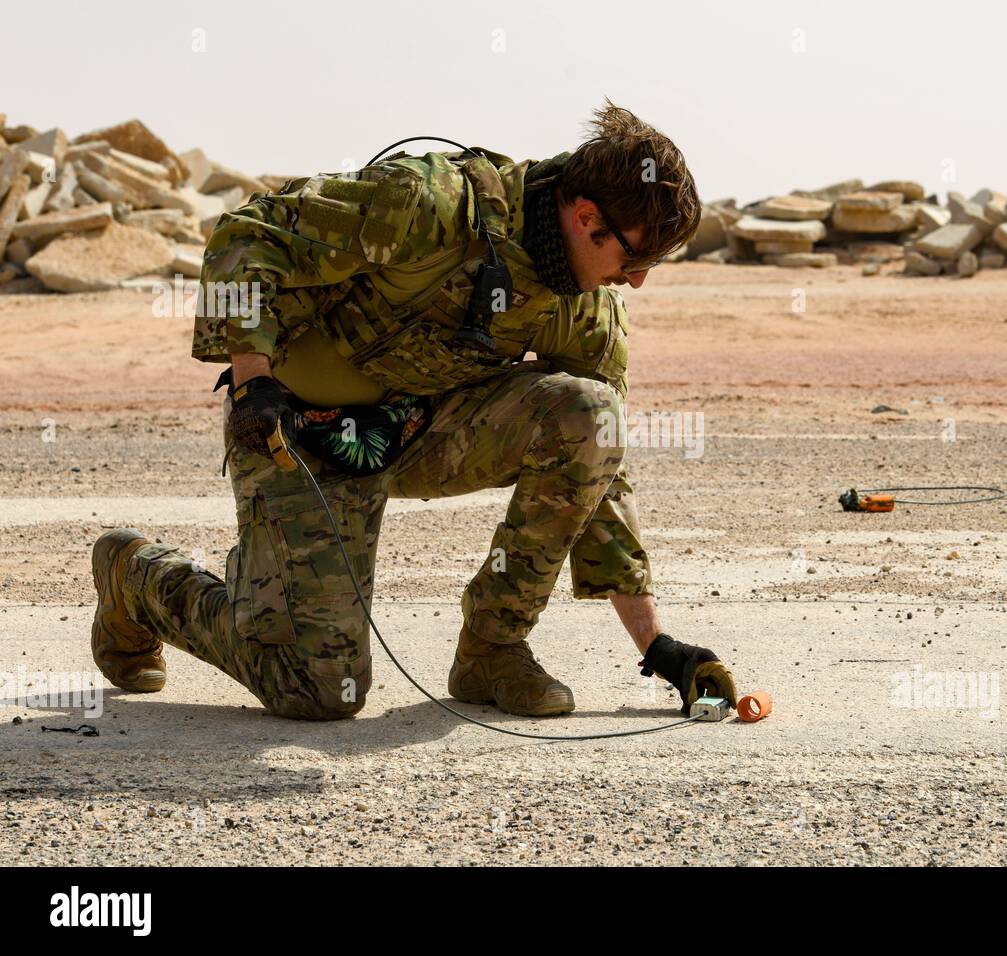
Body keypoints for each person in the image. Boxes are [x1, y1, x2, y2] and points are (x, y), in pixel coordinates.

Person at [90, 100, 738, 720]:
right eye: (638, 256)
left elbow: (600, 471)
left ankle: (492, 649)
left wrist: (658, 649)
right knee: (319, 690)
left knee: (591, 414)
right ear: (587, 216)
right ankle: (136, 579)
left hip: (422, 434)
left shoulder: (586, 307)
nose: (640, 279)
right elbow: (246, 235)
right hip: (297, 432)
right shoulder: (428, 205)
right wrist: (251, 379)